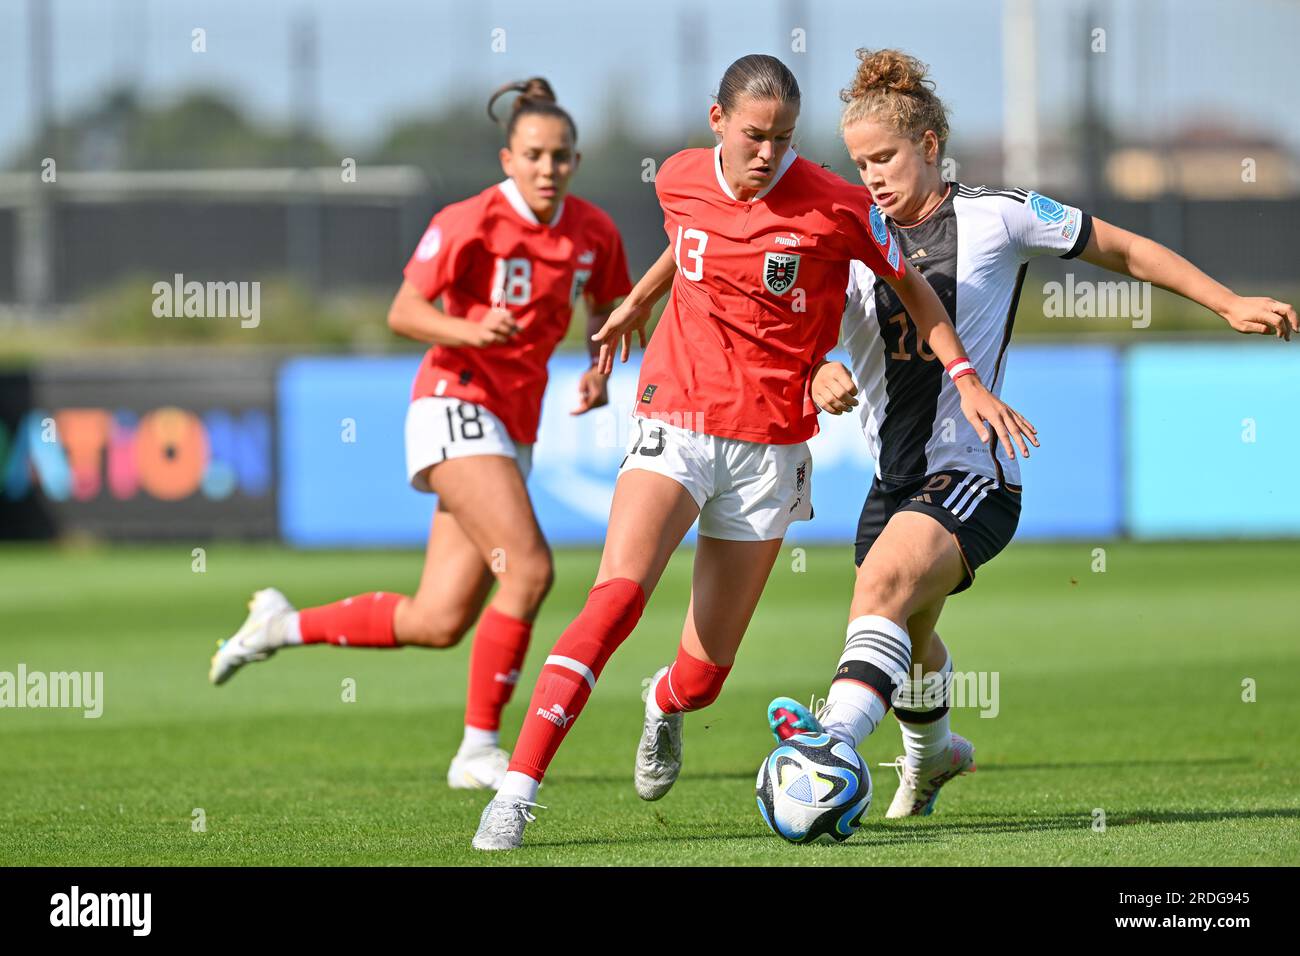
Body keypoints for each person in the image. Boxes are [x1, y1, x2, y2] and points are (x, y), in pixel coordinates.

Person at [472, 53, 1036, 850]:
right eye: (752, 135)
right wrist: (640, 297)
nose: (767, 154)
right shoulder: (678, 176)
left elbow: (911, 284)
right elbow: (690, 237)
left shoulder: (838, 206)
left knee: (702, 681)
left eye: (783, 139)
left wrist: (965, 375)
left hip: (769, 448)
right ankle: (517, 792)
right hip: (676, 418)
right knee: (617, 597)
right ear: (717, 123)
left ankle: (662, 705)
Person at [767, 48, 1297, 819]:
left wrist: (1224, 302)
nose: (872, 176)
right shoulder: (851, 236)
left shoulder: (1000, 213)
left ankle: (833, 748)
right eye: (859, 162)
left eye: (884, 157)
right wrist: (818, 372)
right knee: (905, 633)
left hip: (976, 472)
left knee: (882, 588)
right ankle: (935, 753)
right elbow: (808, 332)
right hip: (895, 479)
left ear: (929, 145)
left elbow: (1124, 248)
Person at [208, 78, 632, 791]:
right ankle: (477, 750)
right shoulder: (471, 220)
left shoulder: (593, 230)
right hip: (454, 402)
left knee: (437, 620)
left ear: (577, 161)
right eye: (533, 154)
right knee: (528, 570)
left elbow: (609, 308)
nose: (547, 168)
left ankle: (280, 625)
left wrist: (598, 370)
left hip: (513, 425)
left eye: (560, 156)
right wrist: (469, 329)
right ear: (508, 158)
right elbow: (403, 310)